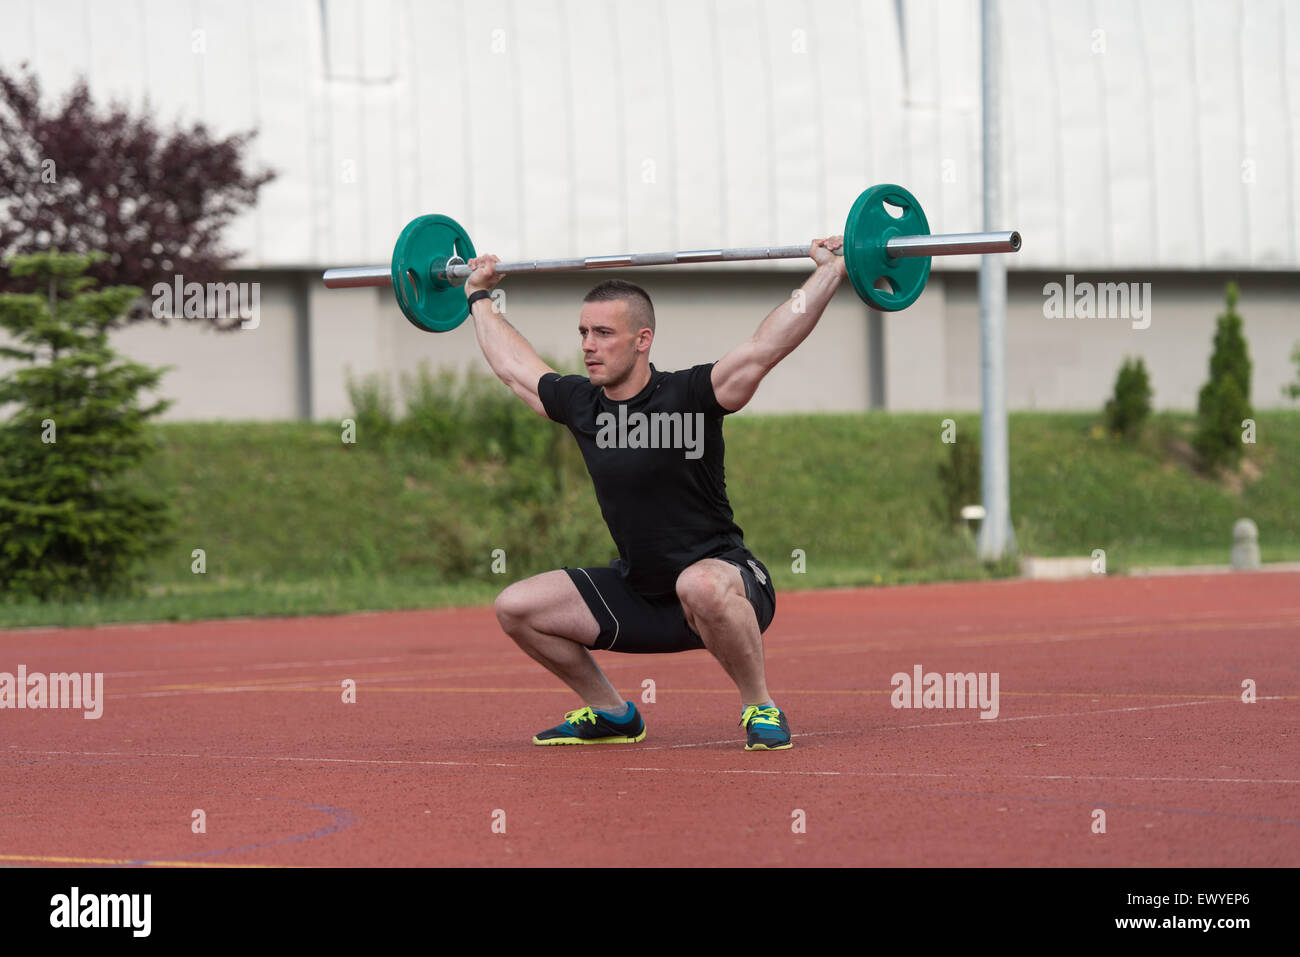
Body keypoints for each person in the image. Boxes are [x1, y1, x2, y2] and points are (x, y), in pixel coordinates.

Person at [464, 236, 847, 750]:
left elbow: (767, 347)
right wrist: (477, 297)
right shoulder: (584, 406)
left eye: (603, 333)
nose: (588, 346)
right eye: (584, 333)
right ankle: (612, 713)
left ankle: (760, 704)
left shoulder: (690, 395)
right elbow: (515, 369)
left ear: (642, 339)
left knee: (700, 585)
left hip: (727, 587)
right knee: (515, 606)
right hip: (642, 593)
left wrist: (832, 270)